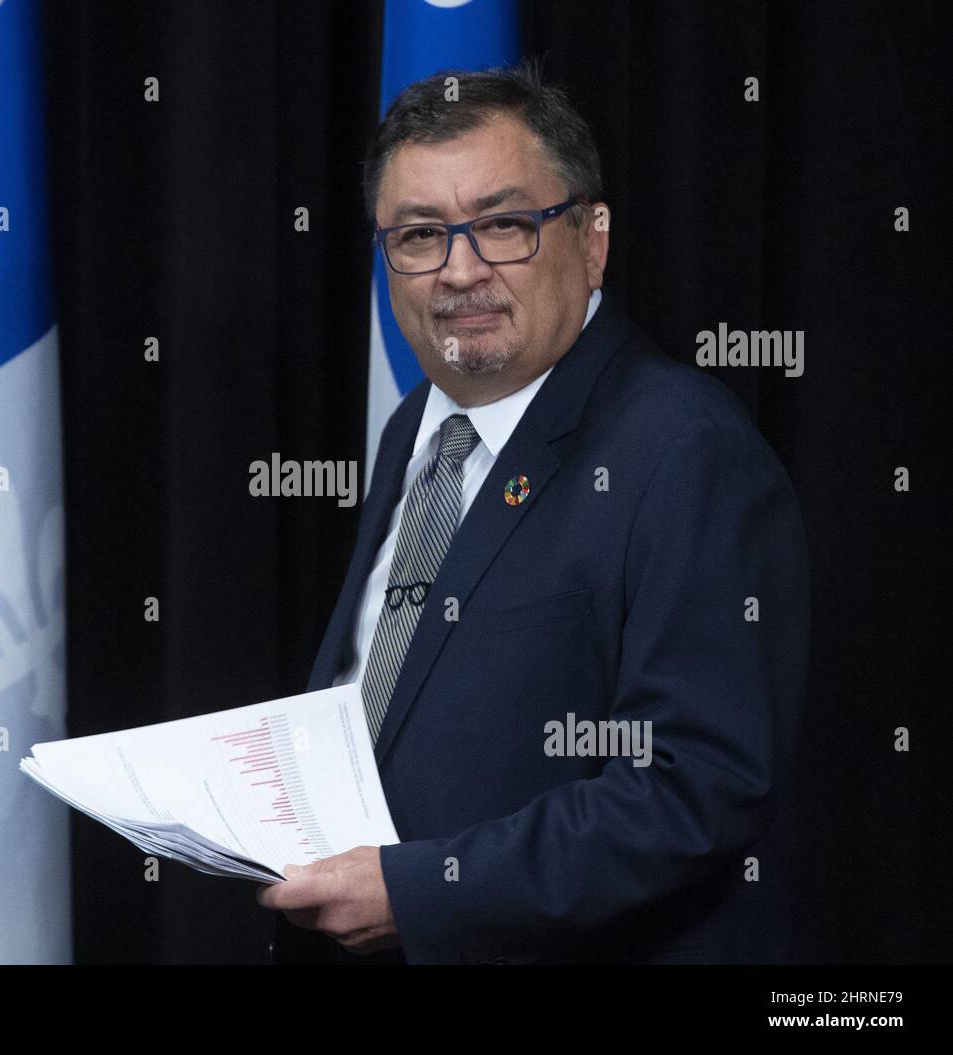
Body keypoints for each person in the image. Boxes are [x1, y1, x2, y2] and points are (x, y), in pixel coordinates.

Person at [256, 61, 810, 965]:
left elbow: (696, 785)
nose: (458, 271)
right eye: (420, 234)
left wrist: (421, 893)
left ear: (592, 239)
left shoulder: (684, 450)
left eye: (504, 225)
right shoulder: (416, 428)